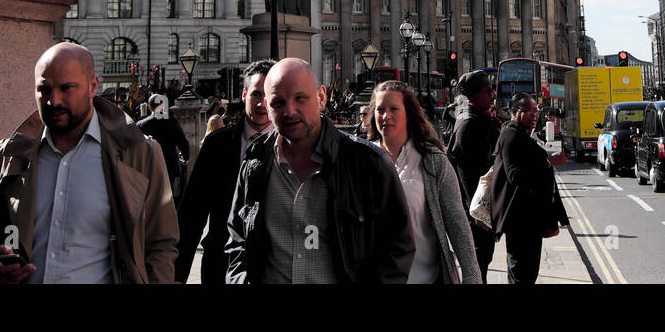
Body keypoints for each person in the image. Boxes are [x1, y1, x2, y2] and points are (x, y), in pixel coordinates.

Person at [0, 43, 178, 284]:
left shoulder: (140, 154)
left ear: (93, 86)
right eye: (44, 90)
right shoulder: (6, 156)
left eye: (66, 88)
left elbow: (161, 245)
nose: (54, 101)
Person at [225, 58, 414, 283]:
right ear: (267, 106)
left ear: (321, 97)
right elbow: (238, 240)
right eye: (278, 102)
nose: (289, 110)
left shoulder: (367, 163)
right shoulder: (256, 161)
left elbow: (398, 248)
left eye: (300, 99)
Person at [369, 81, 481, 284]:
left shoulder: (432, 160)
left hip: (426, 278)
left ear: (409, 114)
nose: (386, 116)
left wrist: (472, 275)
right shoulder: (363, 159)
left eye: (394, 109)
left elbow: (457, 223)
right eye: (380, 110)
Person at [176, 59, 275, 284]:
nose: (263, 104)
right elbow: (193, 212)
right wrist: (178, 275)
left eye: (269, 96)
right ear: (243, 95)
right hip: (221, 265)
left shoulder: (291, 145)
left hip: (273, 268)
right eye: (256, 95)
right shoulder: (216, 144)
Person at [490, 93, 568, 285]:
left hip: (529, 219)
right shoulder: (511, 136)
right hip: (520, 220)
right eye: (528, 111)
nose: (534, 115)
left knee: (527, 273)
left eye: (536, 110)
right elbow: (516, 175)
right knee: (522, 274)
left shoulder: (521, 135)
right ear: (515, 112)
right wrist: (548, 161)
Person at [448, 71, 502, 281]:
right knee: (478, 266)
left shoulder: (476, 117)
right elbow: (468, 174)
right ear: (474, 95)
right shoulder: (471, 124)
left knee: (482, 264)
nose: (492, 94)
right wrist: (476, 215)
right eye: (487, 90)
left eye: (492, 89)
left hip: (480, 211)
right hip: (476, 214)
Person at [138, 93, 191, 204]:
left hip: (150, 165)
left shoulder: (141, 125)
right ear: (163, 106)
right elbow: (183, 143)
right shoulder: (172, 122)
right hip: (169, 165)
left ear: (149, 107)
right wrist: (185, 157)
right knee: (168, 196)